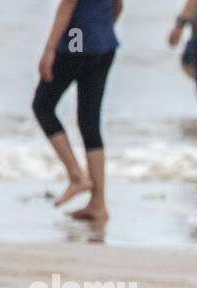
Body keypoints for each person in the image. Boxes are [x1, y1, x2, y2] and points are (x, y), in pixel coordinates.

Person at [32, 0, 122, 222]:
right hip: (105, 43)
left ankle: (76, 176)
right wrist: (101, 29)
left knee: (42, 105)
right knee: (90, 122)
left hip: (77, 42)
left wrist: (49, 50)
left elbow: (67, 5)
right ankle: (98, 204)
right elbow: (118, 5)